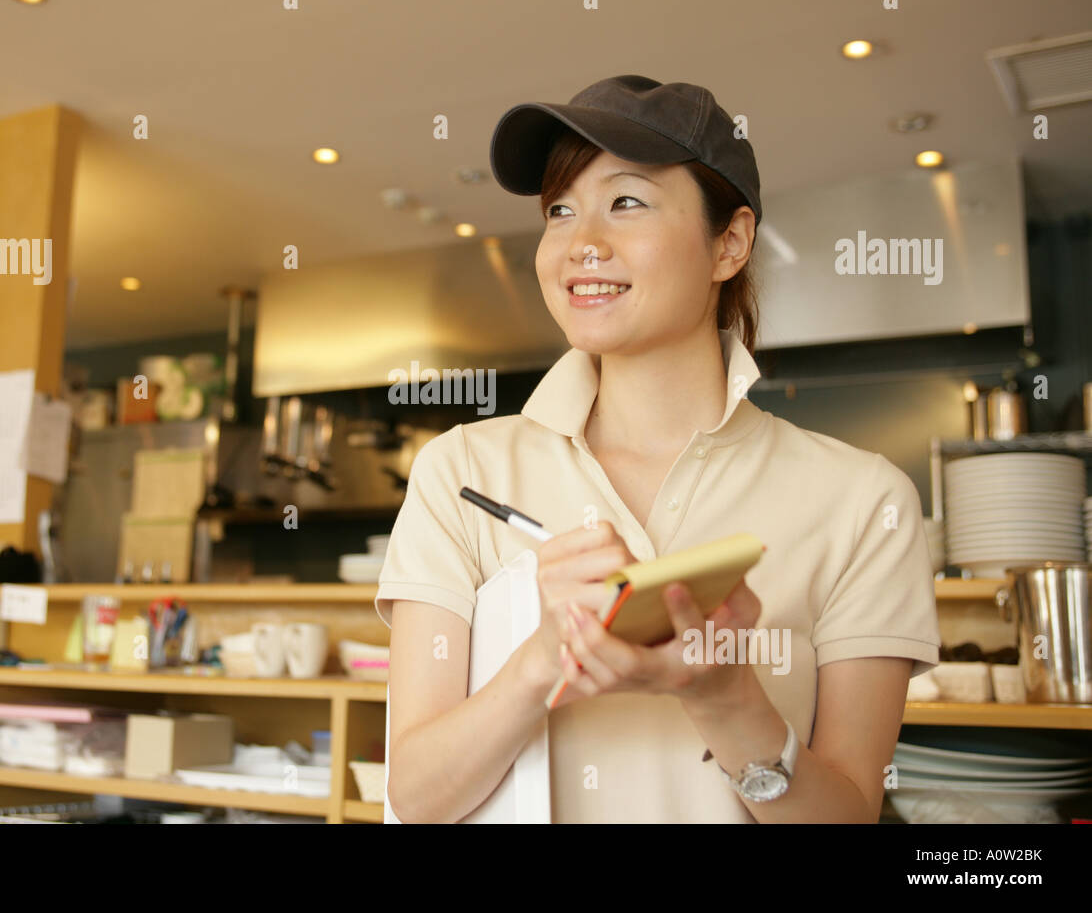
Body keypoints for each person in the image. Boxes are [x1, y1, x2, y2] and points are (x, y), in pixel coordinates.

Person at [376, 75, 939, 823]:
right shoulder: (462, 473)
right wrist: (541, 661)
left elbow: (847, 816)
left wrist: (726, 696)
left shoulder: (866, 502)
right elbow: (414, 796)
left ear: (729, 244)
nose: (581, 244)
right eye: (560, 210)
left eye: (627, 201)